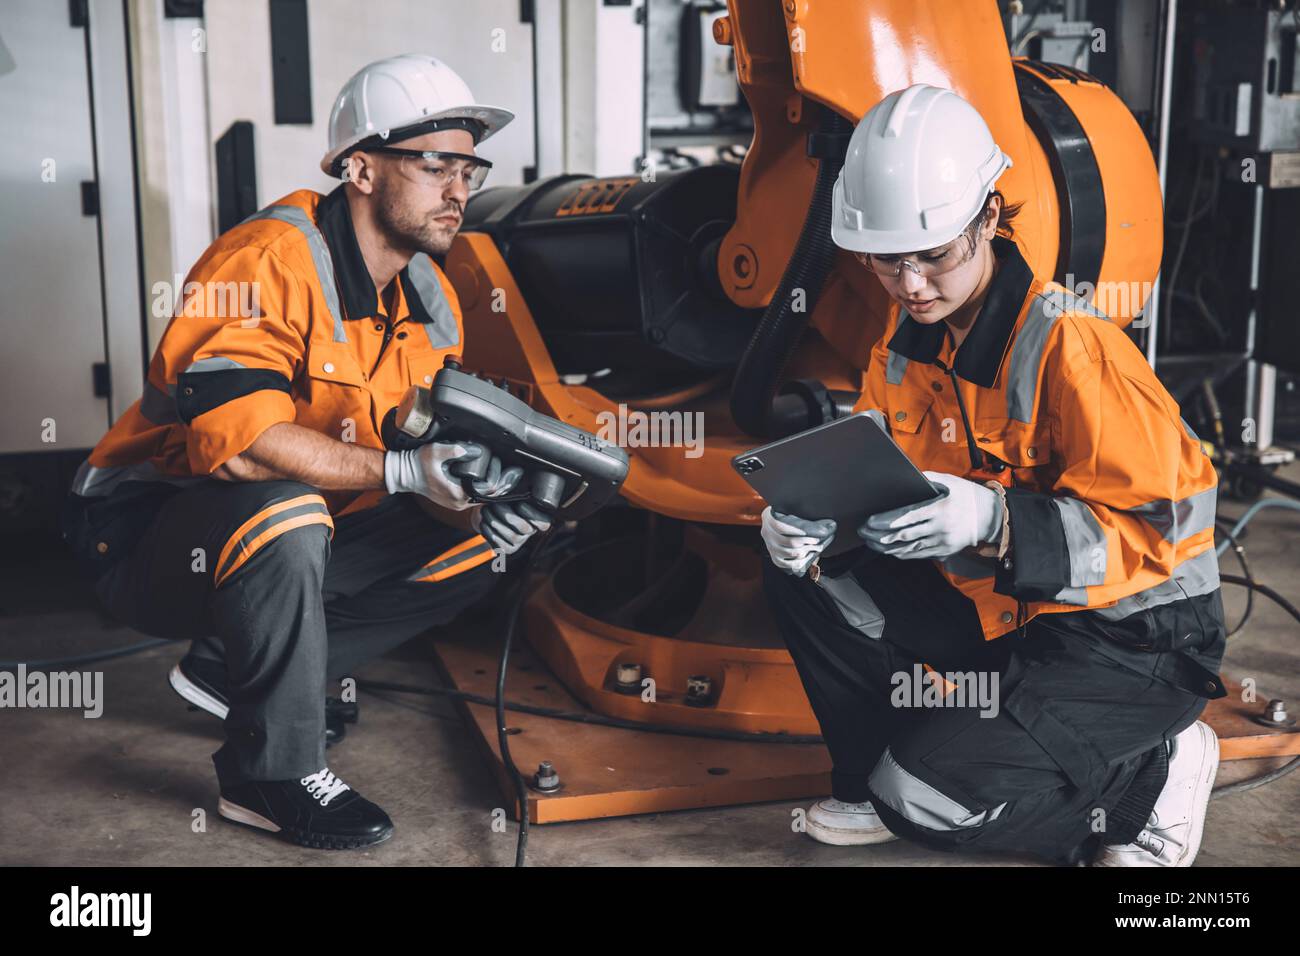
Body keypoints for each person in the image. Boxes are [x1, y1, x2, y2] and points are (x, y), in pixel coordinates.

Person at [63, 54, 550, 850]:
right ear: (359, 168)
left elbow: (417, 452)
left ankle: (237, 667)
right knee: (284, 507)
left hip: (306, 526)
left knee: (501, 524)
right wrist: (401, 472)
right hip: (145, 532)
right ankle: (270, 774)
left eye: (469, 166)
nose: (458, 188)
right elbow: (241, 449)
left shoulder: (432, 296)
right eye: (433, 164)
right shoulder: (267, 262)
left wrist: (466, 492)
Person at [760, 84, 1225, 866]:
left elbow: (1161, 528)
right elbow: (880, 477)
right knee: (808, 573)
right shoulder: (905, 343)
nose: (910, 285)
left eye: (934, 254)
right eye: (887, 260)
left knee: (924, 800)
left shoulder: (1073, 348)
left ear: (987, 218)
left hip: (1134, 642)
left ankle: (1154, 775)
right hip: (1012, 613)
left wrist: (994, 521)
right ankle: (866, 778)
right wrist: (812, 521)